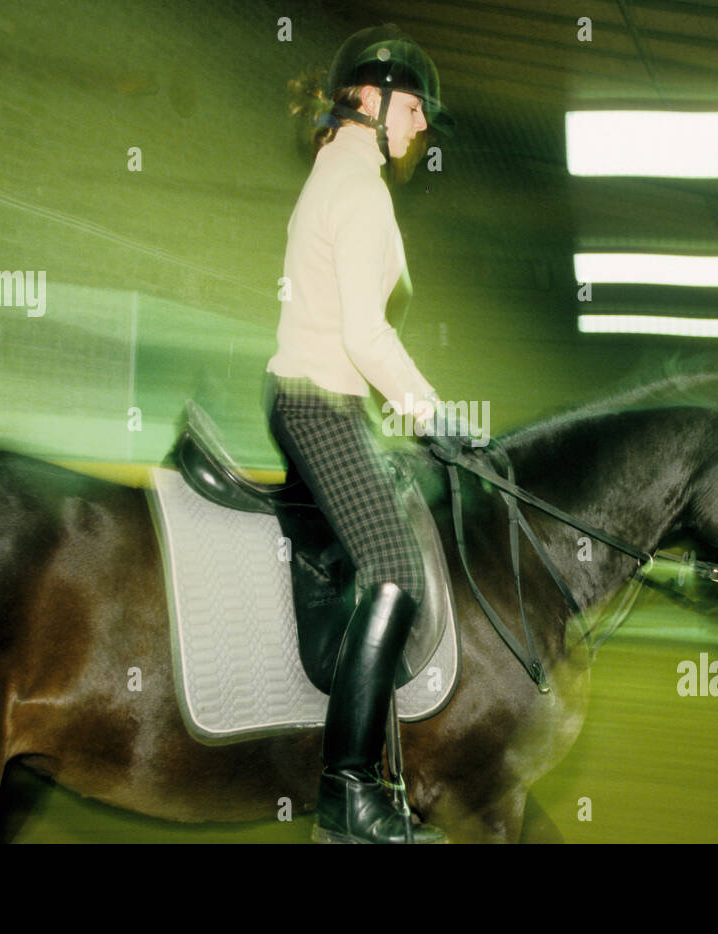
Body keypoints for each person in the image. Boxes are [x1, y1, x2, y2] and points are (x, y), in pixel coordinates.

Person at [264, 24, 463, 844]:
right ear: (376, 101)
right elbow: (363, 335)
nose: (422, 126)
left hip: (315, 400)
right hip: (319, 404)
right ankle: (347, 788)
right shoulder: (360, 185)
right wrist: (436, 413)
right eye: (416, 109)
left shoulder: (335, 171)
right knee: (393, 569)